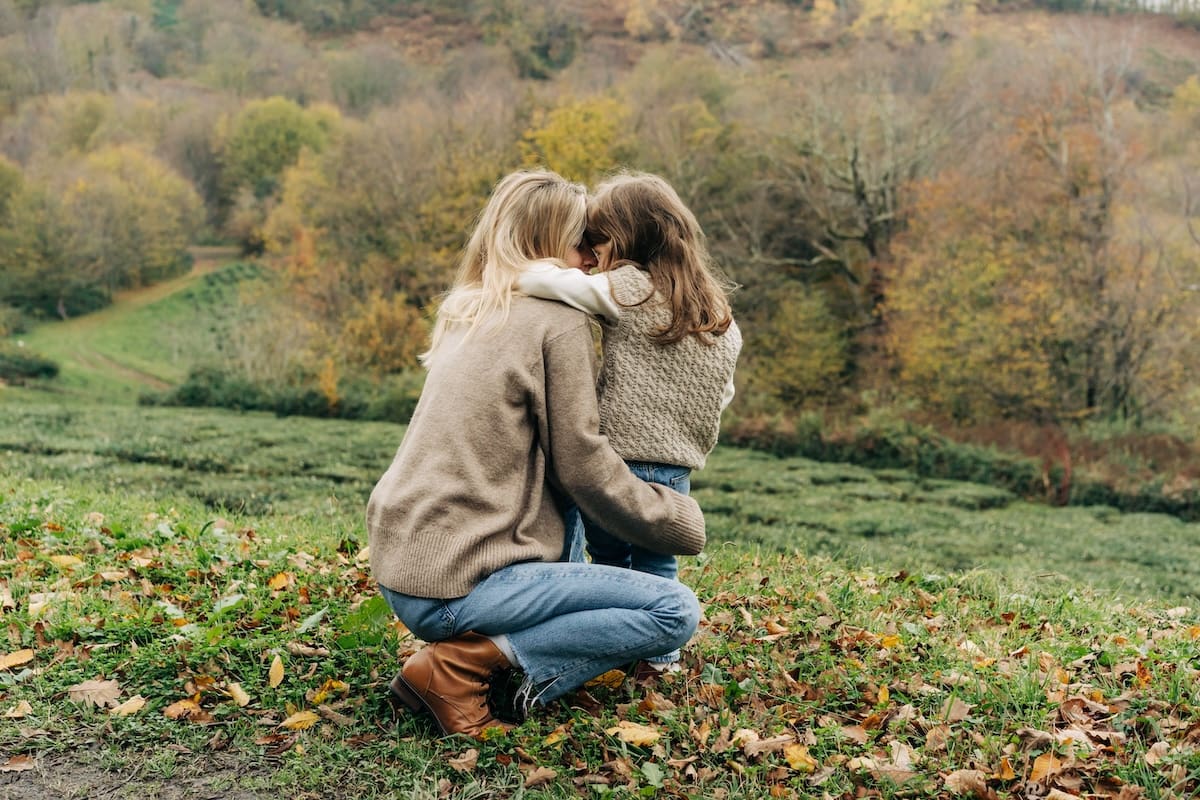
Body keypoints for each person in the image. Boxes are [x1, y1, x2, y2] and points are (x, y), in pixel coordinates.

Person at [366, 169, 706, 739]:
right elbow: (583, 465)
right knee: (672, 611)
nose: (590, 261)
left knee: (588, 581)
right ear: (552, 243)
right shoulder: (557, 321)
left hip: (406, 569)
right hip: (465, 583)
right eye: (582, 243)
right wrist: (675, 518)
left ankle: (489, 657)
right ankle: (459, 667)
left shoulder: (469, 308)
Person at [517, 171, 741, 672]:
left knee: (614, 564)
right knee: (658, 560)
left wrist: (507, 270)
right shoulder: (715, 309)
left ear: (621, 239)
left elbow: (542, 281)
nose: (591, 253)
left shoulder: (628, 288)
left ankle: (626, 650)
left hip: (619, 462)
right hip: (676, 469)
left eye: (596, 240)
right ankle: (658, 656)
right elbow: (723, 390)